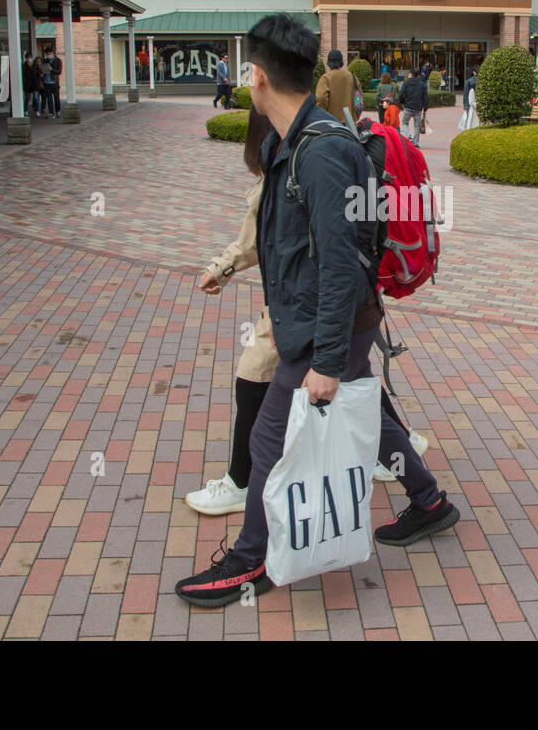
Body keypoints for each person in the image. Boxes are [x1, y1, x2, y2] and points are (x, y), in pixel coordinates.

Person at [174, 14, 458, 607]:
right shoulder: (291, 140)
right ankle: (430, 502)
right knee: (372, 418)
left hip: (330, 329)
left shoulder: (323, 150)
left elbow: (343, 263)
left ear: (256, 76)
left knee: (269, 437)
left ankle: (249, 561)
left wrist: (324, 360)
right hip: (326, 325)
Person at [185, 109, 431, 517]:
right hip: (338, 309)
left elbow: (329, 259)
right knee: (360, 393)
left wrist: (327, 359)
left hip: (309, 310)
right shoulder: (319, 146)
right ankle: (425, 492)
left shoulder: (298, 160)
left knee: (262, 409)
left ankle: (245, 508)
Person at [314, 48, 361, 125]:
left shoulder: (325, 78)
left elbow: (321, 98)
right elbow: (359, 98)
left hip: (331, 122)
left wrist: (322, 115)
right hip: (350, 123)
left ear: (328, 62)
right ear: (341, 62)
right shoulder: (352, 77)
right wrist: (356, 116)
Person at [398, 67, 428, 146]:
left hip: (408, 106)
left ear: (411, 74)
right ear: (418, 75)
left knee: (404, 123)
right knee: (417, 126)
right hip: (418, 108)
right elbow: (425, 97)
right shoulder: (422, 84)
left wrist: (402, 102)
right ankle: (415, 143)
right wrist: (425, 108)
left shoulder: (406, 82)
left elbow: (401, 94)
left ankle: (408, 137)